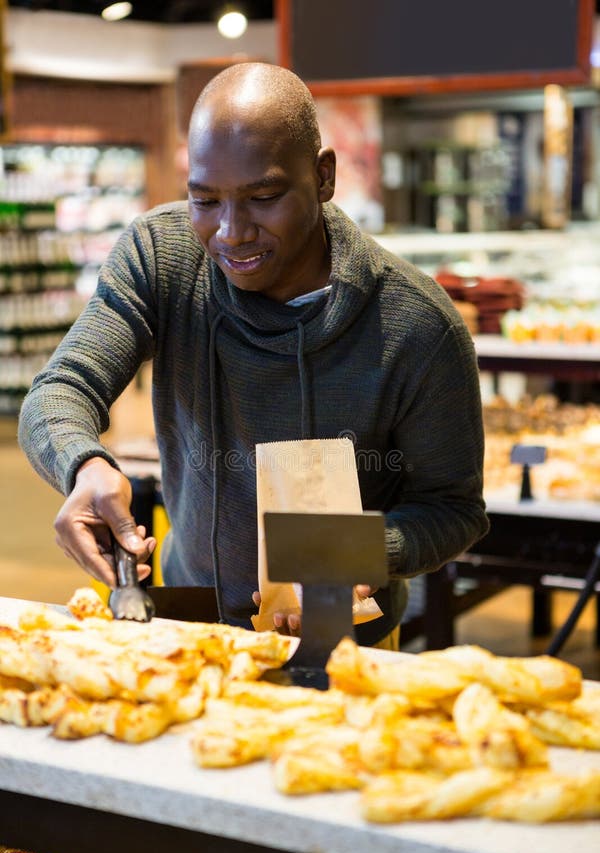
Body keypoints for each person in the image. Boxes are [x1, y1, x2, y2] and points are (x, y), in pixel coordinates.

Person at [18, 62, 488, 648]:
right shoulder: (161, 257)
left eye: (264, 197)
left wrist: (363, 553)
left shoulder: (416, 325)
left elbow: (454, 509)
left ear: (323, 177)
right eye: (205, 200)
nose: (231, 231)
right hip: (188, 622)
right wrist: (82, 467)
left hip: (347, 643)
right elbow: (62, 389)